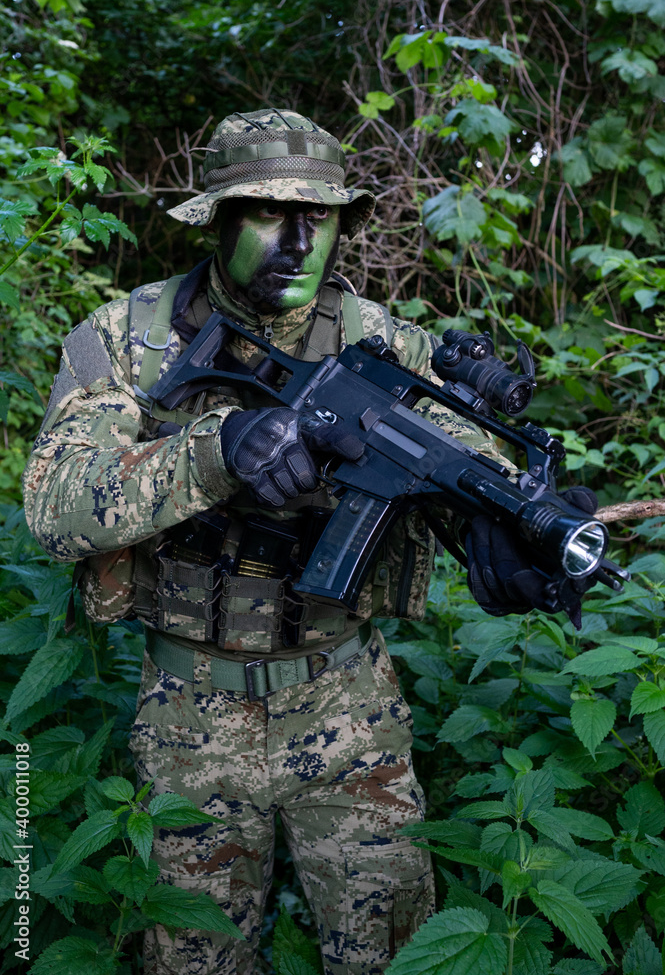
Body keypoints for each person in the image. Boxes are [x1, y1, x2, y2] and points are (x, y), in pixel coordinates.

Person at [22, 108, 577, 975]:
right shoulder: (126, 341)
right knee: (192, 960)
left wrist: (505, 528)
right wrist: (216, 450)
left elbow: (456, 449)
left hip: (348, 705)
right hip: (186, 714)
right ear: (217, 219)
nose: (296, 241)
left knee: (393, 953)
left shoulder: (381, 342)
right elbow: (56, 506)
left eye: (317, 216)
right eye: (267, 213)